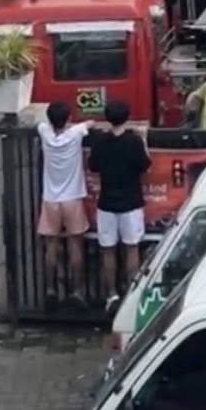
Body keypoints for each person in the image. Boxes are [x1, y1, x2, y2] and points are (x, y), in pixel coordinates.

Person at [88, 100, 150, 310]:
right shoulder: (134, 142)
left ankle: (111, 295)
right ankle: (132, 294)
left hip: (106, 202)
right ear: (127, 116)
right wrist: (143, 139)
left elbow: (93, 166)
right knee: (132, 248)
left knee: (108, 250)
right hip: (131, 202)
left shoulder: (100, 142)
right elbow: (144, 165)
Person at [38, 100, 93, 304]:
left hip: (50, 198)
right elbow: (90, 124)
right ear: (68, 118)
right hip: (72, 198)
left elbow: (38, 121)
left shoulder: (44, 132)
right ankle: (77, 291)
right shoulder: (76, 133)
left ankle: (51, 289)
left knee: (50, 245)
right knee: (75, 245)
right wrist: (78, 124)